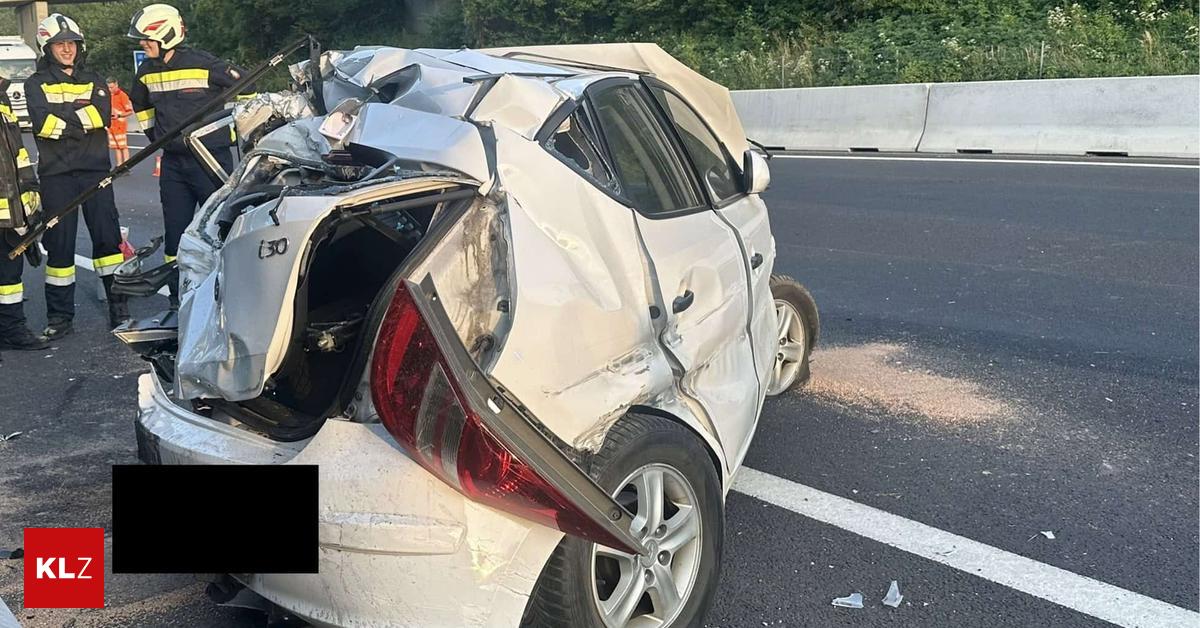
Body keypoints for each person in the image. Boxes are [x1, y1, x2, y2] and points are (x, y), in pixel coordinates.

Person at [128, 3, 250, 308]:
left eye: (146, 38)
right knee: (176, 233)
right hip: (173, 164)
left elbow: (247, 86)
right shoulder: (146, 71)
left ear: (165, 35)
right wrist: (156, 138)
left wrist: (236, 130)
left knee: (219, 226)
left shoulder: (204, 63)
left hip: (210, 161)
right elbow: (140, 106)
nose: (143, 44)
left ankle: (225, 296)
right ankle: (178, 299)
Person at [24, 13, 130, 337]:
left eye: (72, 43)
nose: (67, 49)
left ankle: (119, 310)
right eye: (60, 44)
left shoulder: (96, 80)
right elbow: (43, 124)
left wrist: (64, 120)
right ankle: (60, 318)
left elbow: (100, 117)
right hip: (57, 176)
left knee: (108, 242)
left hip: (96, 173)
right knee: (60, 248)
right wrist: (79, 118)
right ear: (48, 48)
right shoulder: (35, 83)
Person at [0, 75, 50, 357]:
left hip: (9, 208)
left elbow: (17, 154)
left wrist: (30, 192)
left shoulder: (2, 98)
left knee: (9, 275)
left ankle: (11, 330)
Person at [107, 77, 133, 165]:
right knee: (116, 147)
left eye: (112, 87)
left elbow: (129, 111)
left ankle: (126, 165)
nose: (110, 89)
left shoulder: (122, 95)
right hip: (112, 125)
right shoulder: (109, 95)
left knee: (123, 146)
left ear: (116, 85)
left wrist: (119, 115)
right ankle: (119, 165)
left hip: (120, 125)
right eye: (109, 88)